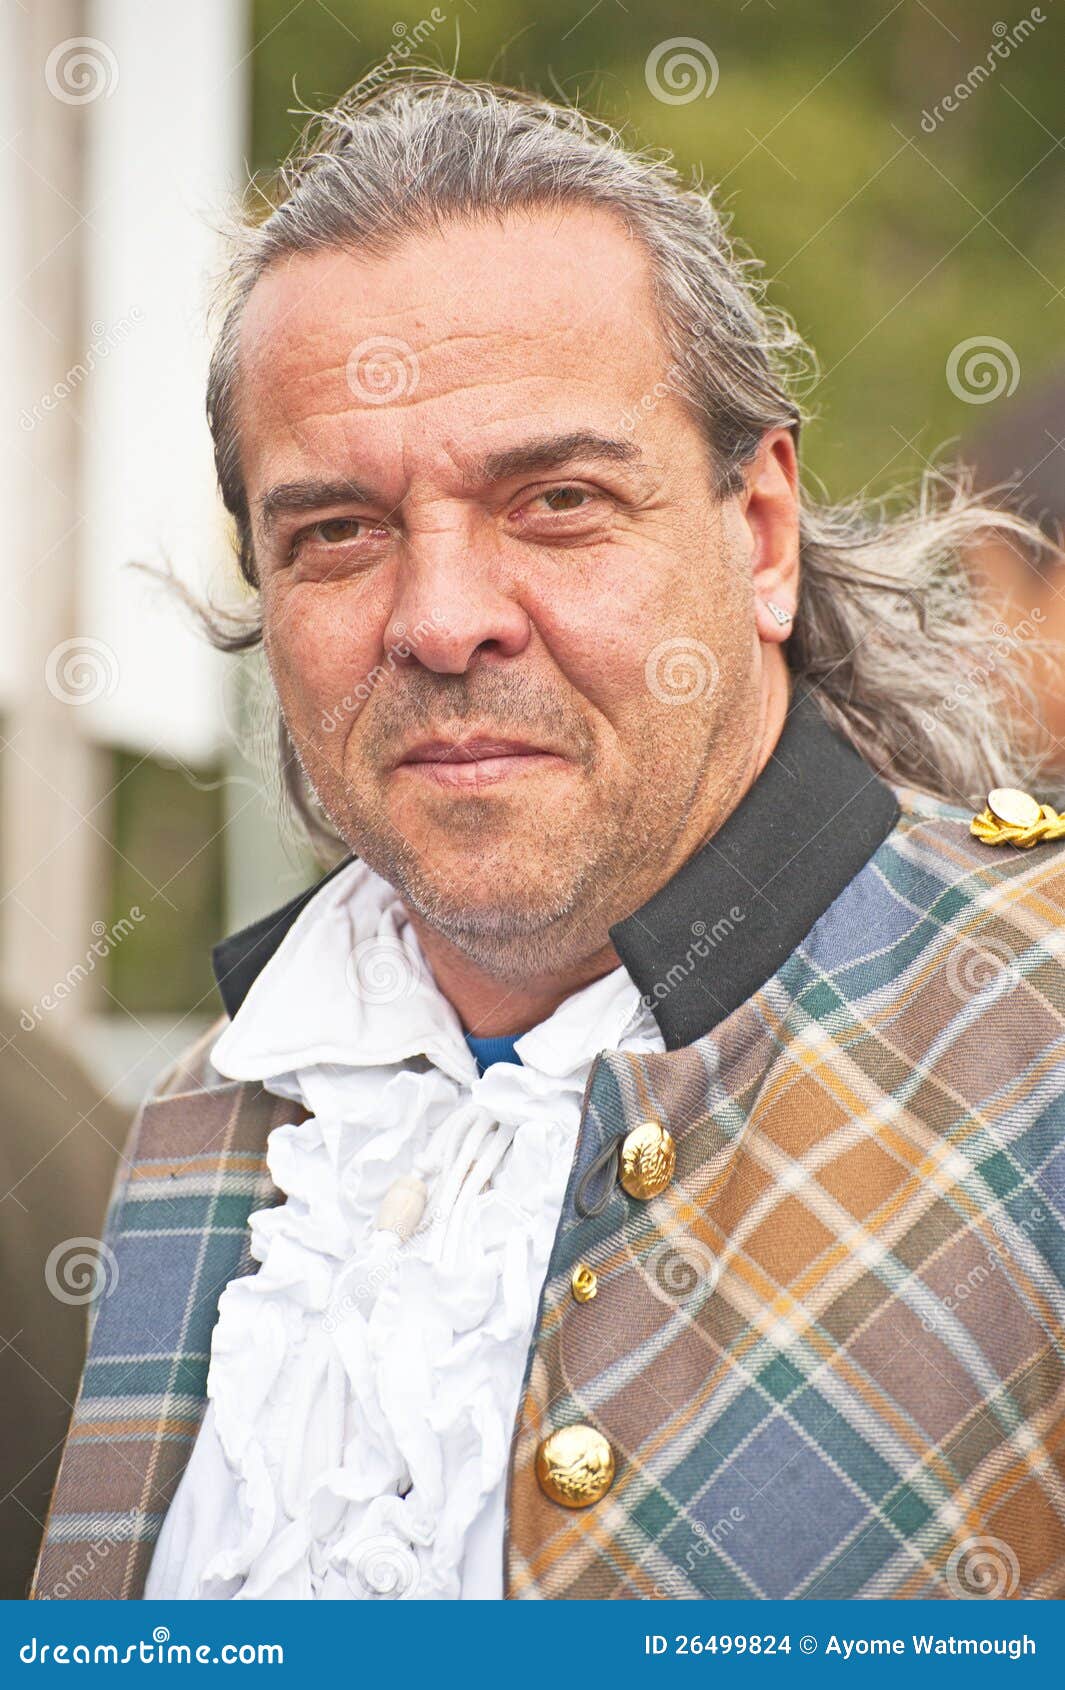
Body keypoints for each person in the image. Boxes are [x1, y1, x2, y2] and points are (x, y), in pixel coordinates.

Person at [33, 68, 1065, 1602]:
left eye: (557, 500)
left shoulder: (1034, 1024)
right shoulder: (210, 1109)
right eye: (336, 532)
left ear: (758, 534)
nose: (441, 619)